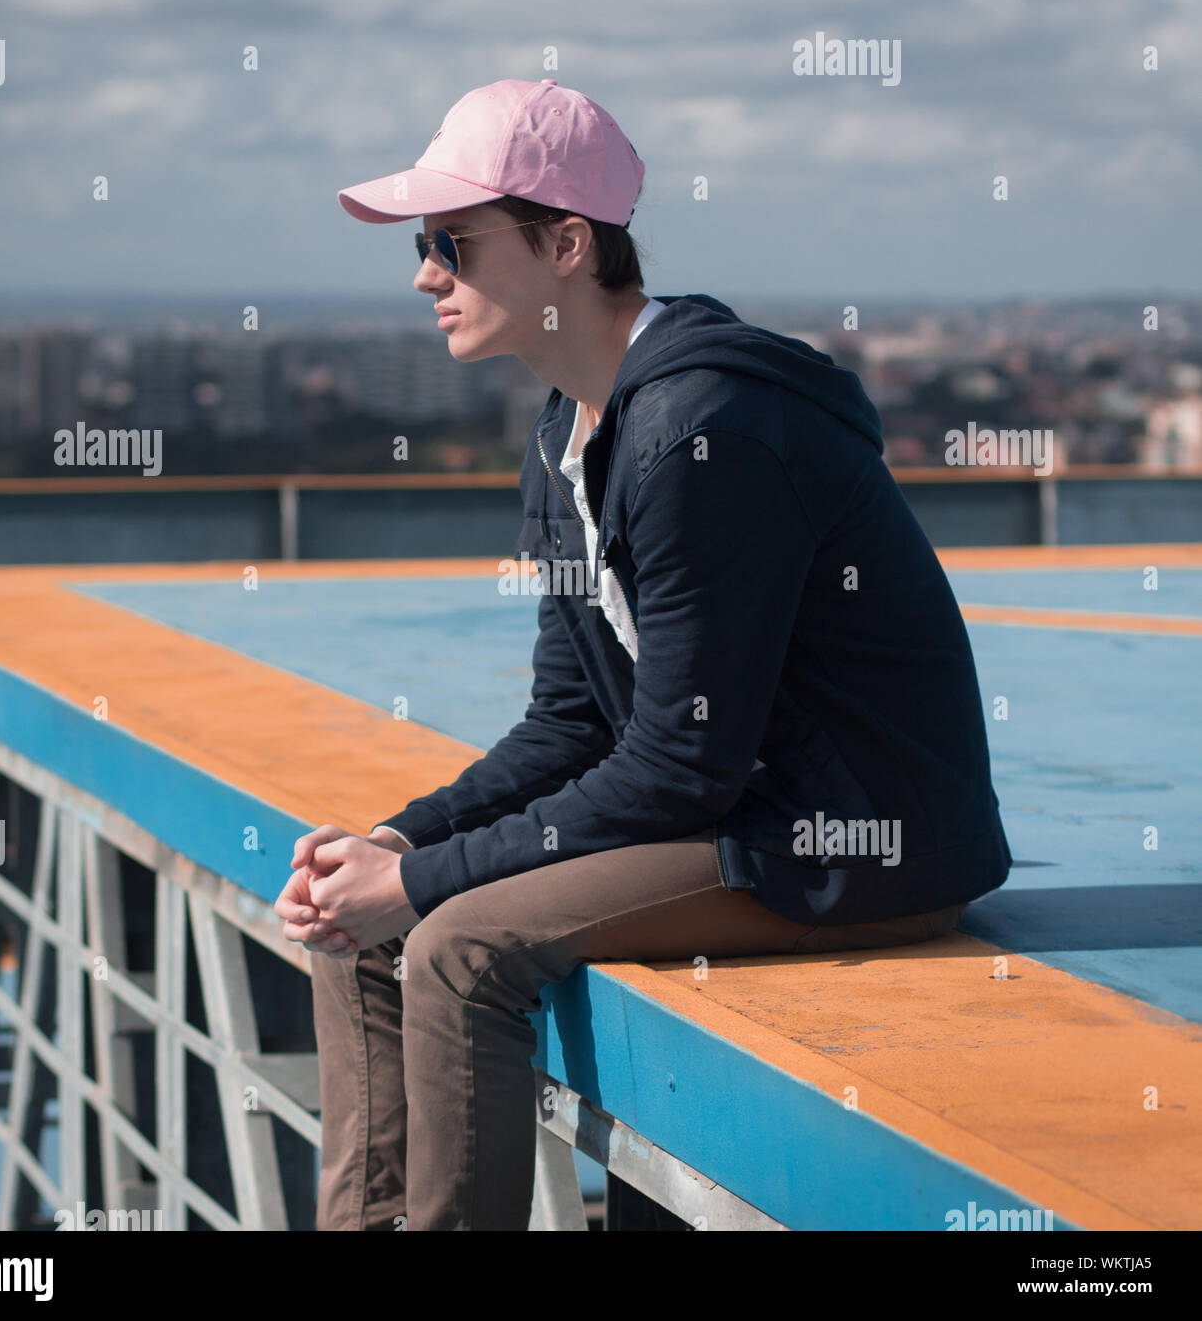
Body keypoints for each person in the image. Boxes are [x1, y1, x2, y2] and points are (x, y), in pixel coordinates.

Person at [273, 78, 1012, 1231]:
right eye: (424, 247)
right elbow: (570, 719)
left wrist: (422, 883)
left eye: (452, 245)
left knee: (457, 946)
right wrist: (397, 840)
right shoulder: (568, 432)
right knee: (355, 933)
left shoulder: (701, 431)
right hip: (736, 816)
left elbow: (680, 766)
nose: (425, 275)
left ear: (565, 244)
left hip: (849, 847)